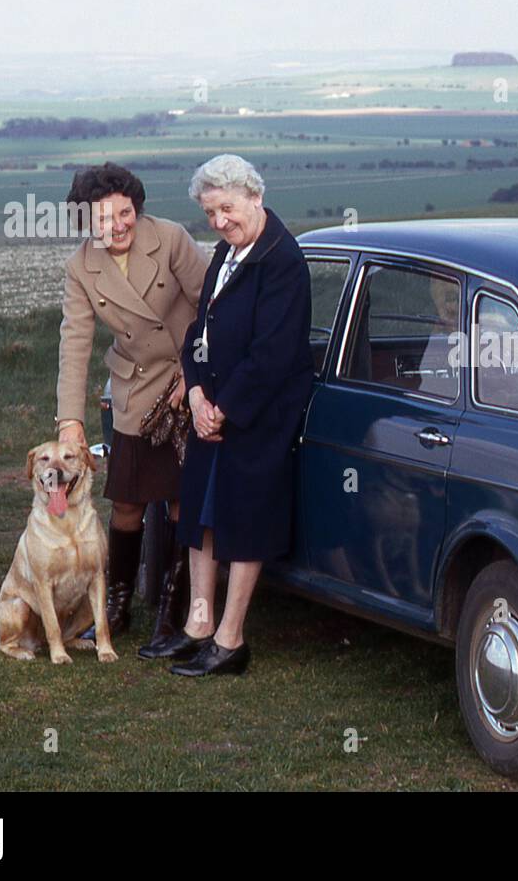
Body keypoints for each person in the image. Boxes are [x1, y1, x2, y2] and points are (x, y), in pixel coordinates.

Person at [143, 154, 313, 676]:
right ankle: (198, 626)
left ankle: (231, 639)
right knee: (202, 516)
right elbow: (199, 333)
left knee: (245, 519)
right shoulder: (225, 253)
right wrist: (195, 394)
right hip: (209, 410)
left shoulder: (282, 261)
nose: (218, 222)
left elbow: (273, 355)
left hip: (257, 417)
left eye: (226, 209)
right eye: (210, 213)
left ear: (255, 198)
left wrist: (224, 409)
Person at [55, 163, 209, 652]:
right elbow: (74, 343)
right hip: (134, 390)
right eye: (104, 218)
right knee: (126, 503)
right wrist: (71, 422)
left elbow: (213, 304)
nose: (118, 225)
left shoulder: (172, 238)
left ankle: (173, 608)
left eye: (125, 213)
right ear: (87, 221)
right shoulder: (81, 268)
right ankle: (116, 608)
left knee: (183, 499)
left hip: (188, 380)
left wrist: (197, 372)